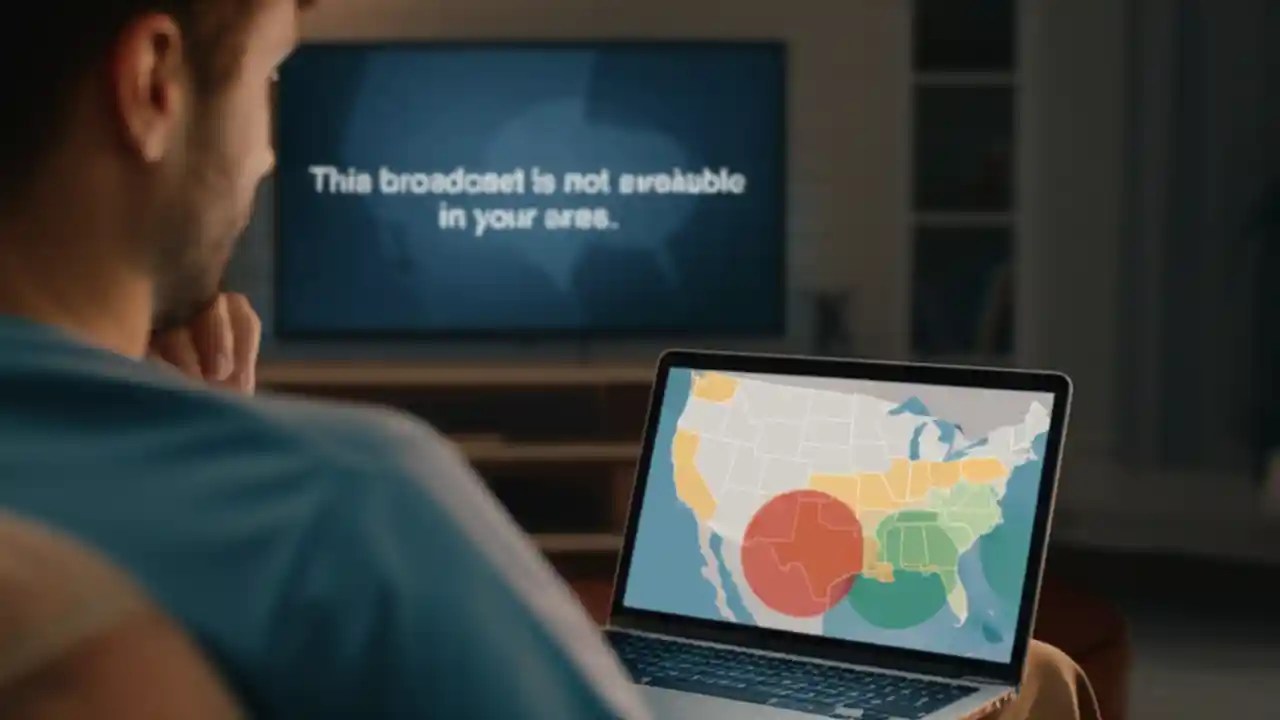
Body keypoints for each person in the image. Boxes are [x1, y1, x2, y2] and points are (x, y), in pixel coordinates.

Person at [0, 1, 1098, 718]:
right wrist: (240, 456)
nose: (272, 153)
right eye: (270, 87)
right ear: (152, 82)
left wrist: (202, 431)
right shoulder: (343, 505)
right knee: (1029, 682)